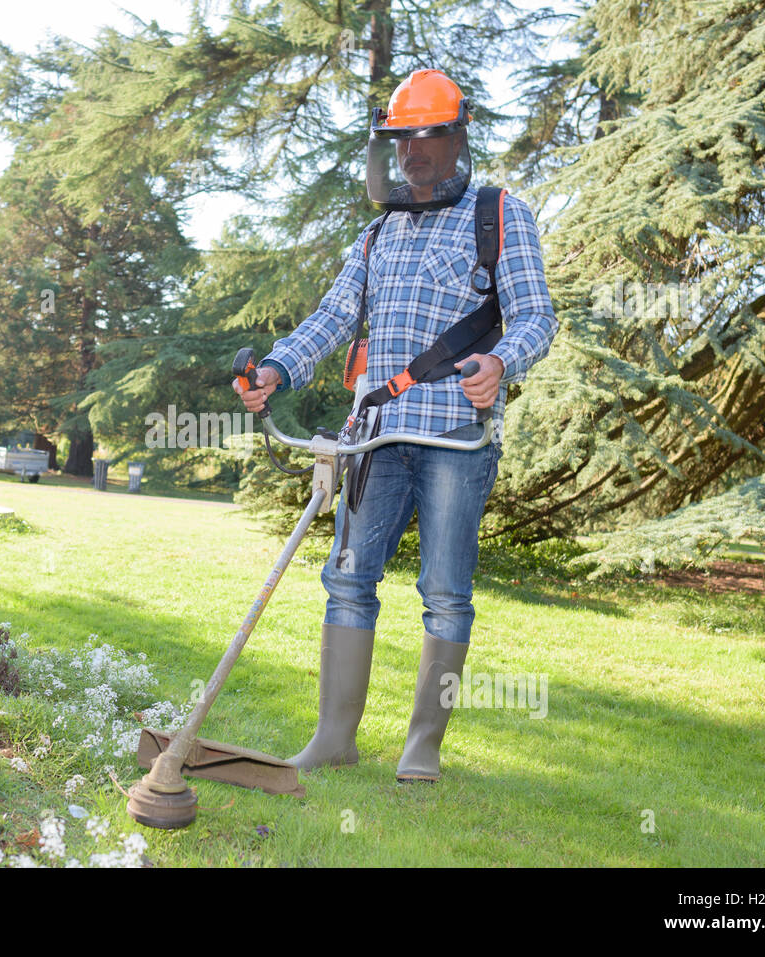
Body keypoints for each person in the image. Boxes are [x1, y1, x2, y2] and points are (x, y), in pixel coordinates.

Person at [232, 69, 558, 782]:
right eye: (401, 142)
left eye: (427, 140)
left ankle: (422, 747)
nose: (413, 155)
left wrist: (501, 361)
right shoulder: (377, 233)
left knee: (445, 593)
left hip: (454, 438)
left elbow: (537, 314)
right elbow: (330, 318)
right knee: (348, 580)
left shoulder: (498, 213)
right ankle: (334, 738)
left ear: (455, 142)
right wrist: (277, 371)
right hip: (374, 436)